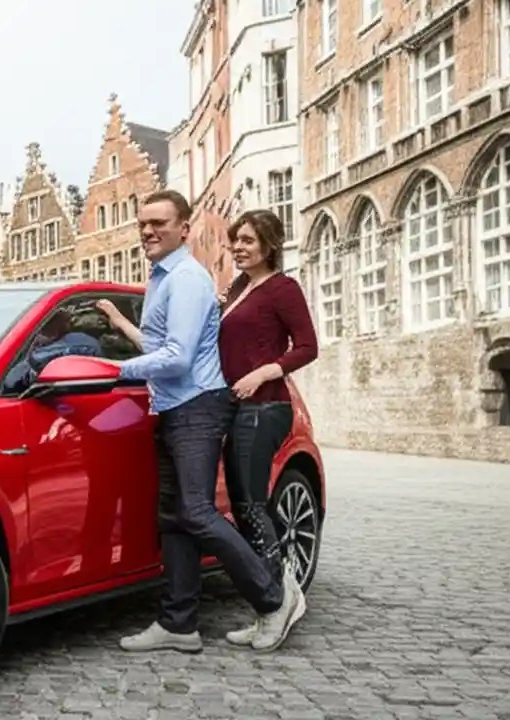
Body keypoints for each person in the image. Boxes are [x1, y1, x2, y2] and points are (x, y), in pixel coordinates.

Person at [96, 190, 304, 654]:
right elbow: (159, 344)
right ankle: (179, 624)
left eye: (159, 223)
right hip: (173, 406)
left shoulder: (186, 278)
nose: (147, 231)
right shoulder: (163, 277)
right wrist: (120, 326)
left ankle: (274, 598)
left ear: (184, 229)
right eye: (142, 224)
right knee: (174, 518)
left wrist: (114, 371)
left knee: (195, 511)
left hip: (196, 406)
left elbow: (177, 358)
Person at [215, 209, 319, 647]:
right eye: (235, 239)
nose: (239, 247)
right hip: (238, 408)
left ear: (269, 245)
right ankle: (270, 604)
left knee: (254, 506)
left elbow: (309, 346)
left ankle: (279, 602)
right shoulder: (239, 287)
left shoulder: (283, 288)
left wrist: (265, 372)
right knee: (242, 508)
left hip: (266, 407)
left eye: (248, 240)